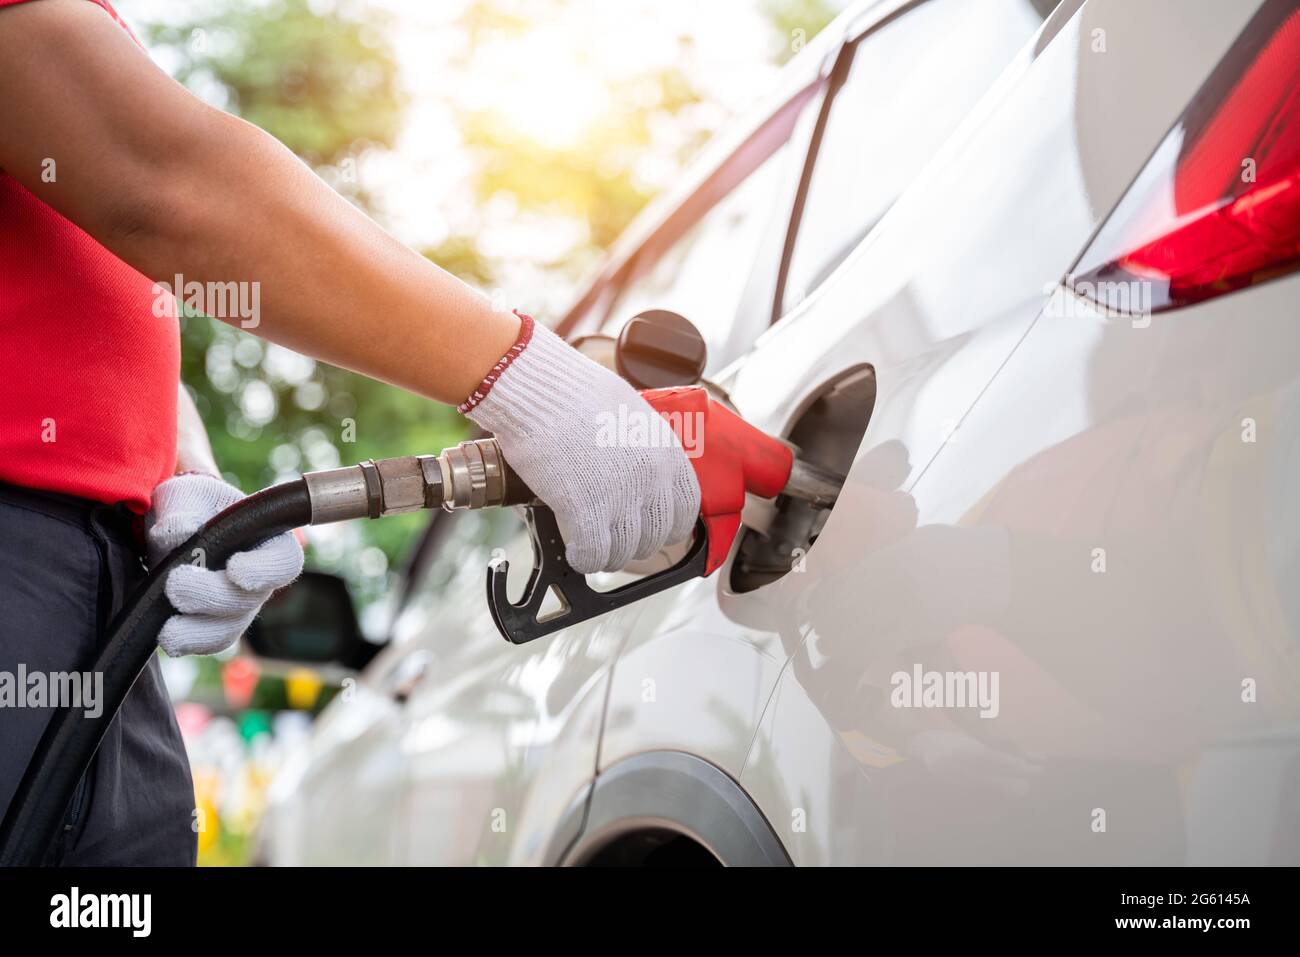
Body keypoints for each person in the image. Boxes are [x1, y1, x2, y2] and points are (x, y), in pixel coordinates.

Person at [0, 0, 700, 864]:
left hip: (95, 608)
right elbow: (158, 181)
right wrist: (524, 376)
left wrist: (185, 469)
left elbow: (86, 269)